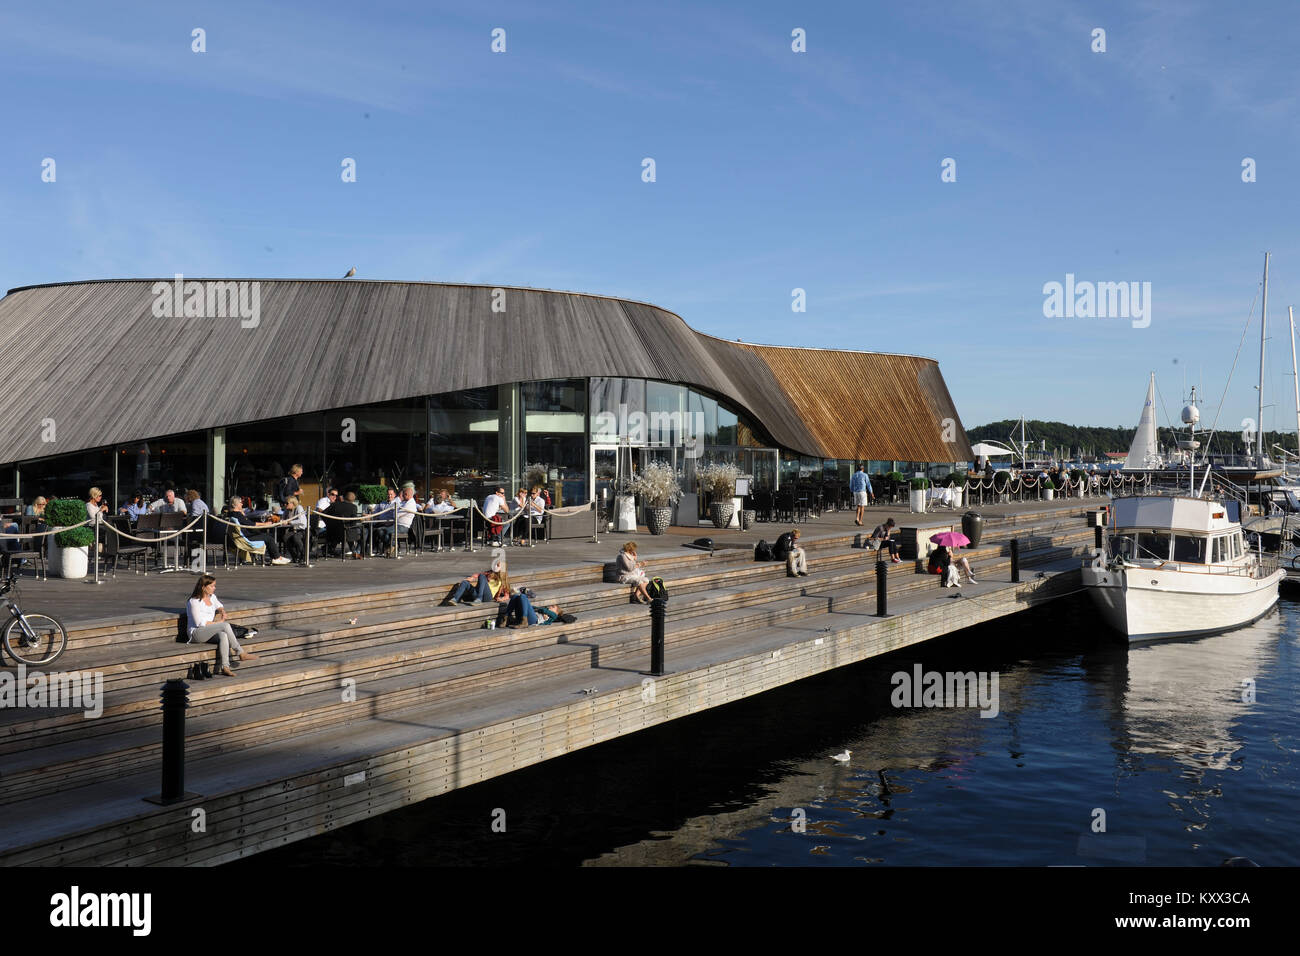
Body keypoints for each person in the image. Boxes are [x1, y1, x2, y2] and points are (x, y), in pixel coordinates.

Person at [186, 575, 259, 677]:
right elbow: (199, 623)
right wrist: (219, 623)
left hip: (208, 631)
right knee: (224, 626)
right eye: (212, 586)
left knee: (223, 635)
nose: (214, 588)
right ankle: (240, 652)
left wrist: (222, 611)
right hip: (196, 633)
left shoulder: (212, 597)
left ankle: (225, 667)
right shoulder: (194, 601)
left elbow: (219, 605)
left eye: (214, 586)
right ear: (203, 587)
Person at [227, 496, 292, 564]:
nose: (242, 504)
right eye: (240, 503)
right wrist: (265, 524)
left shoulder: (231, 514)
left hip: (241, 536)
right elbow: (251, 524)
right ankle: (277, 558)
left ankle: (276, 557)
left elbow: (247, 523)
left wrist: (243, 514)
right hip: (246, 537)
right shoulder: (238, 514)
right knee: (269, 538)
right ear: (236, 504)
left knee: (266, 536)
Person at [325, 490, 363, 558]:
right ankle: (356, 551)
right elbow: (353, 522)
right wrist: (361, 519)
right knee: (362, 530)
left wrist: (329, 524)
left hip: (334, 532)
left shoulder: (335, 504)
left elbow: (324, 513)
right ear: (353, 500)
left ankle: (330, 549)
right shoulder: (353, 507)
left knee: (346, 529)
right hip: (347, 532)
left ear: (345, 497)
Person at [281, 495, 308, 562]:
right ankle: (295, 556)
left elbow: (301, 521)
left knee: (296, 537)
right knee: (285, 538)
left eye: (287, 503)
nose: (285, 504)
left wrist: (289, 522)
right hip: (293, 530)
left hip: (303, 530)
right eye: (284, 503)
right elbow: (283, 519)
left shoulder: (299, 508)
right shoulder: (287, 510)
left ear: (292, 503)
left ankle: (303, 556)